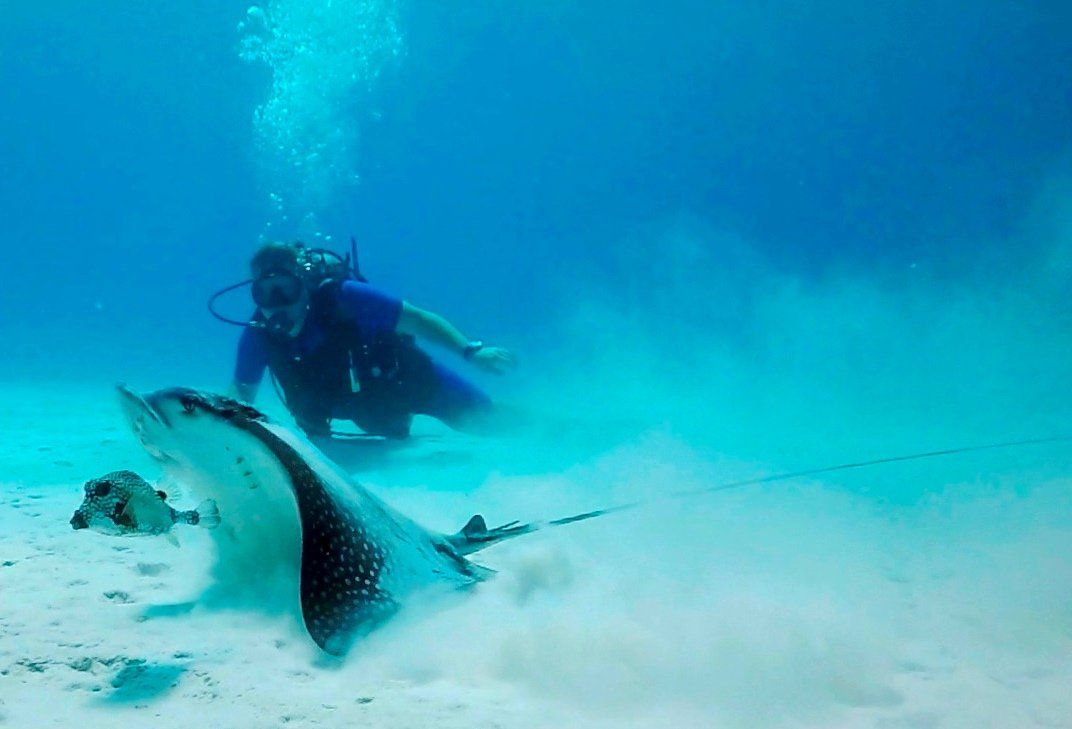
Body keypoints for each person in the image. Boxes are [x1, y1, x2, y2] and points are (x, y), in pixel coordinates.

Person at [229, 241, 516, 439]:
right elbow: (240, 396)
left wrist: (470, 351)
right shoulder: (259, 335)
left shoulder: (346, 298)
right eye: (264, 293)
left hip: (410, 382)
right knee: (387, 425)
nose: (275, 304)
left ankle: (555, 431)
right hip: (357, 411)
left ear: (303, 286)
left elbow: (420, 320)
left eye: (284, 289)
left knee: (487, 420)